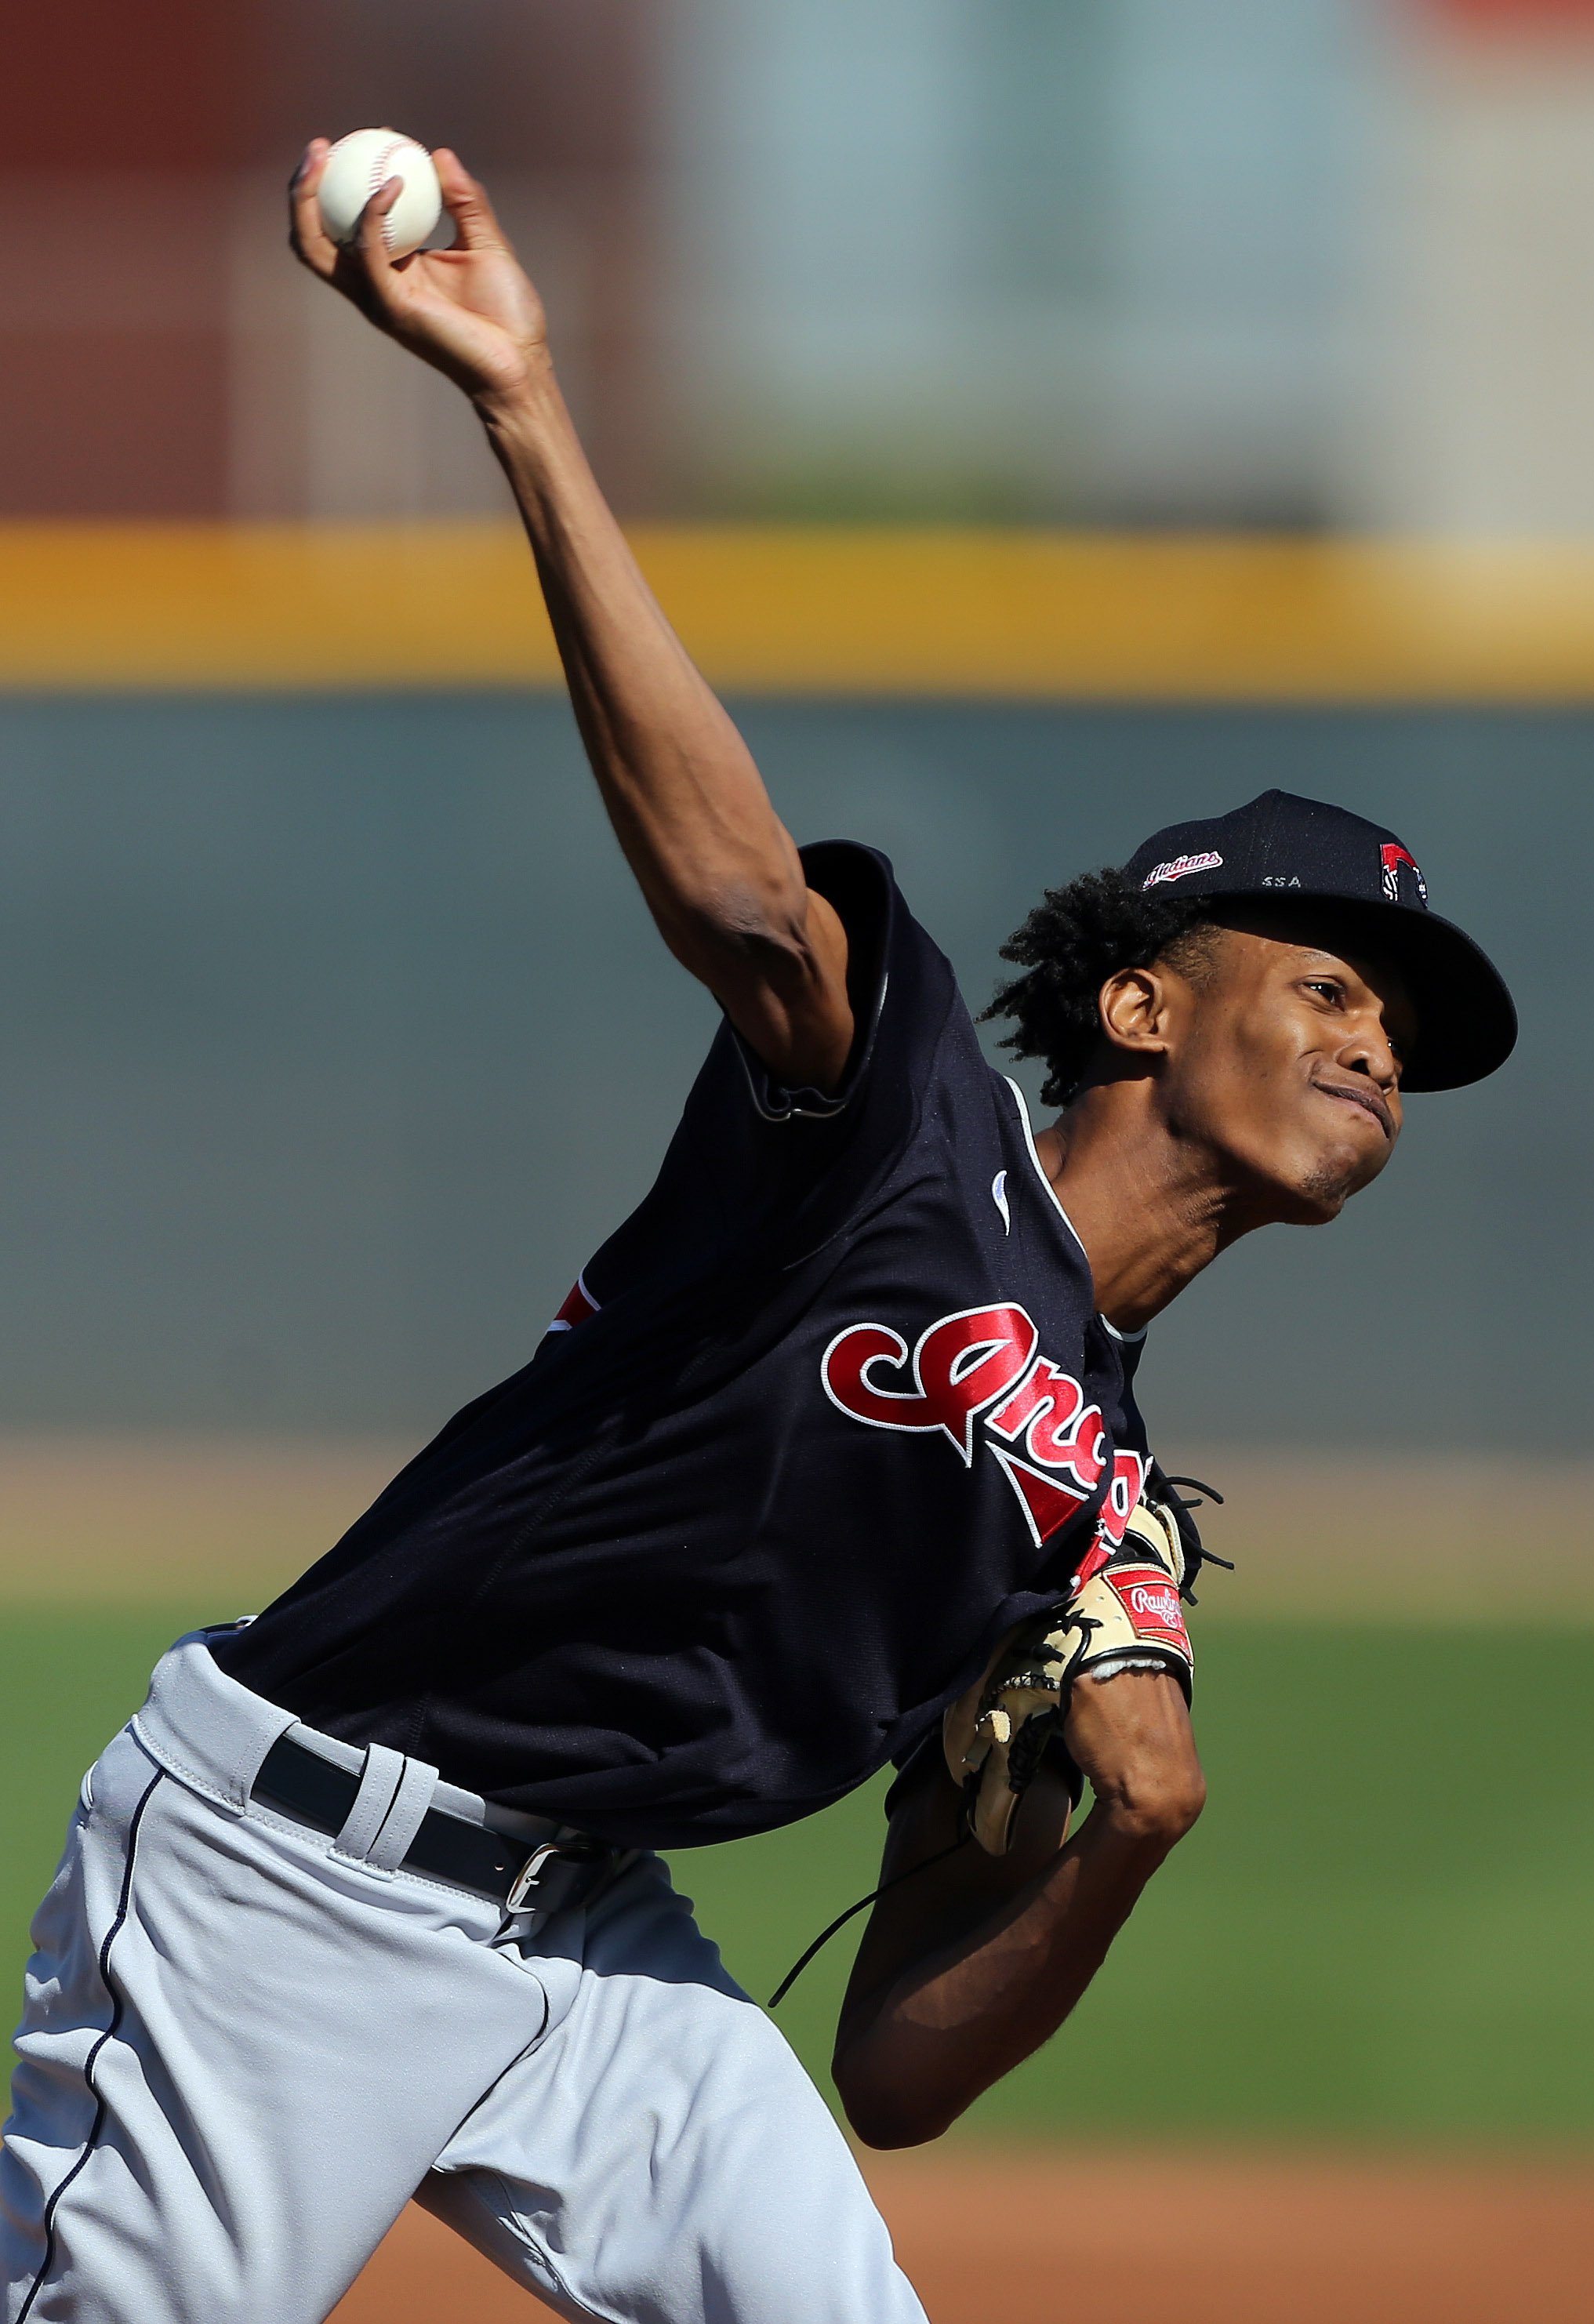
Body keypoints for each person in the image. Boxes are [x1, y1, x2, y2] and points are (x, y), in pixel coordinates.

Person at [1, 149, 1516, 2324]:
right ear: (1140, 1005)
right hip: (290, 1878)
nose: (1377, 1045)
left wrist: (1127, 1837)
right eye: (1332, 983)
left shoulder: (1098, 1502)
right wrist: (524, 406)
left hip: (586, 1942)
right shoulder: (901, 1126)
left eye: (1405, 1030)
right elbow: (737, 901)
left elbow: (898, 2060)